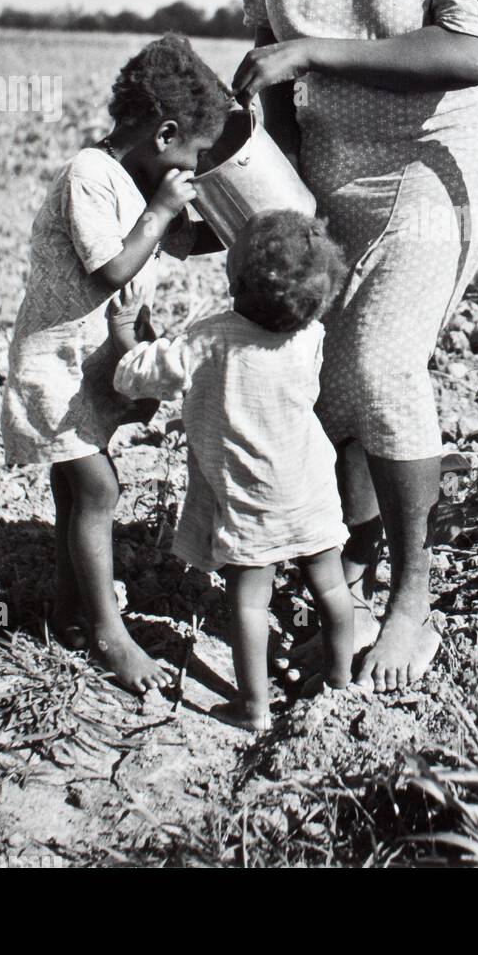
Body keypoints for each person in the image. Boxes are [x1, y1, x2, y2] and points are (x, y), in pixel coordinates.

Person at [230, 0, 478, 691]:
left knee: (384, 365)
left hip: (436, 161)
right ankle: (343, 566)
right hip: (326, 165)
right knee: (320, 380)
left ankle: (412, 598)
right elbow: (266, 45)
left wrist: (313, 54)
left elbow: (464, 50)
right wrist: (247, 164)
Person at [0, 33, 229, 693]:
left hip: (86, 367)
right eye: (195, 152)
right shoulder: (90, 177)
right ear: (164, 134)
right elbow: (110, 270)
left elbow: (185, 240)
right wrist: (160, 211)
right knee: (98, 490)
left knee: (77, 491)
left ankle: (73, 612)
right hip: (54, 367)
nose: (194, 168)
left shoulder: (134, 178)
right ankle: (108, 634)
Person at [111, 210, 353, 731]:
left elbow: (141, 377)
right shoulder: (309, 336)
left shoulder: (211, 338)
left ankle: (253, 707)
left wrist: (126, 334)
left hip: (250, 500)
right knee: (331, 591)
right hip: (311, 487)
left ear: (236, 281)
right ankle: (338, 683)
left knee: (248, 602)